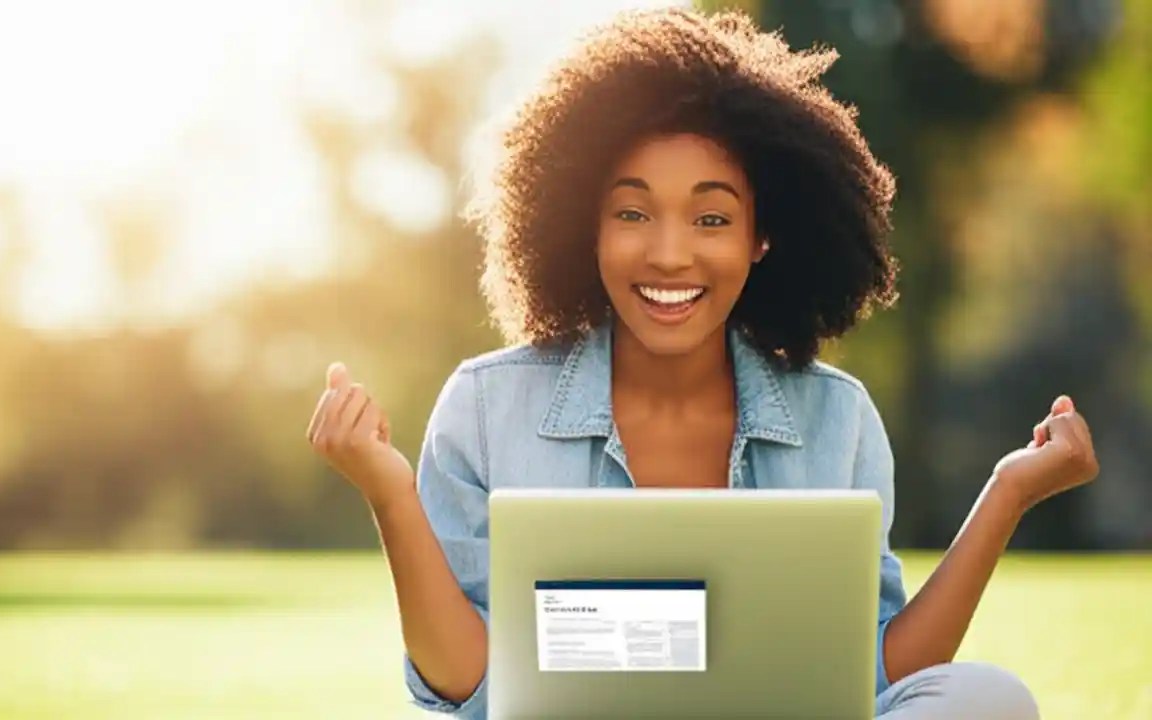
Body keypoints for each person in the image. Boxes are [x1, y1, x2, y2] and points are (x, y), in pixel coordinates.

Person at [306, 7, 1099, 719]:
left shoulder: (836, 417)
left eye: (712, 216)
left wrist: (1005, 495)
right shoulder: (486, 406)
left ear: (762, 236)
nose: (670, 252)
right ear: (585, 225)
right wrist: (390, 493)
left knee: (988, 699)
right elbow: (465, 686)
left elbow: (869, 679)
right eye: (632, 212)